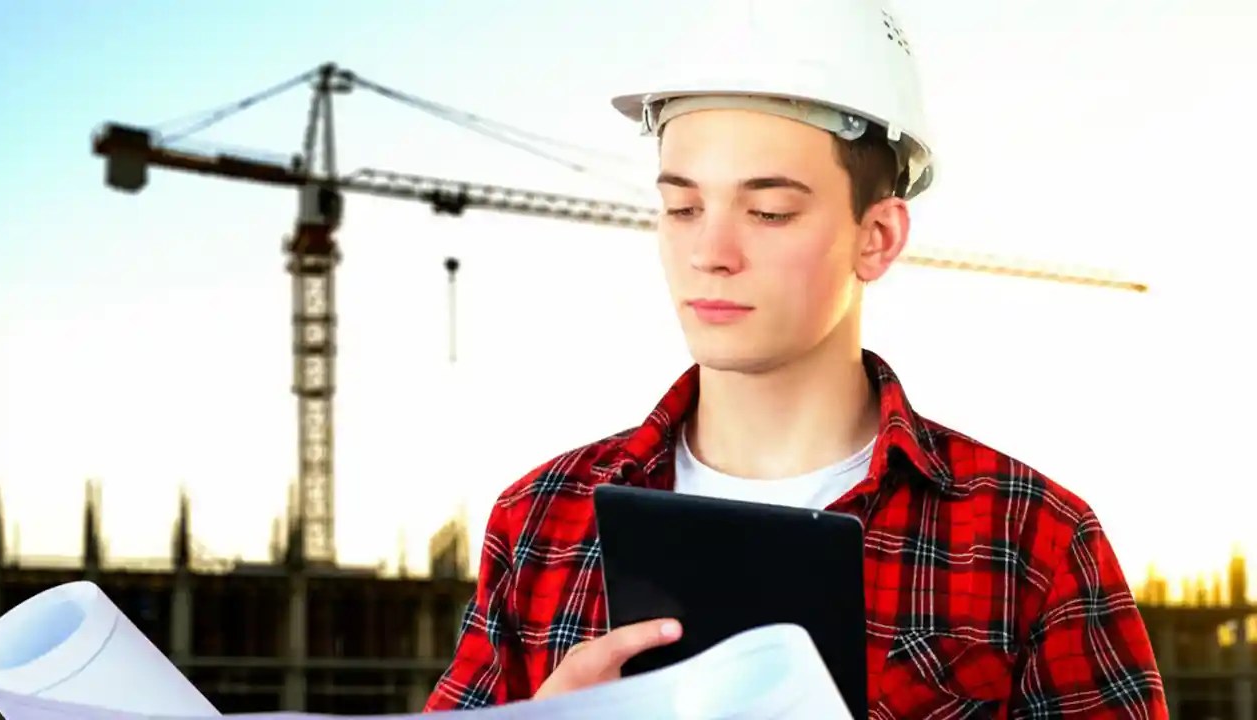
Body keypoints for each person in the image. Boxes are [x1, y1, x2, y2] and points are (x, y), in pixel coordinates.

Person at [424, 0, 1168, 716]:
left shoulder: (1028, 541)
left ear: (876, 237)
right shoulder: (541, 523)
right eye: (682, 208)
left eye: (769, 212)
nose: (709, 254)